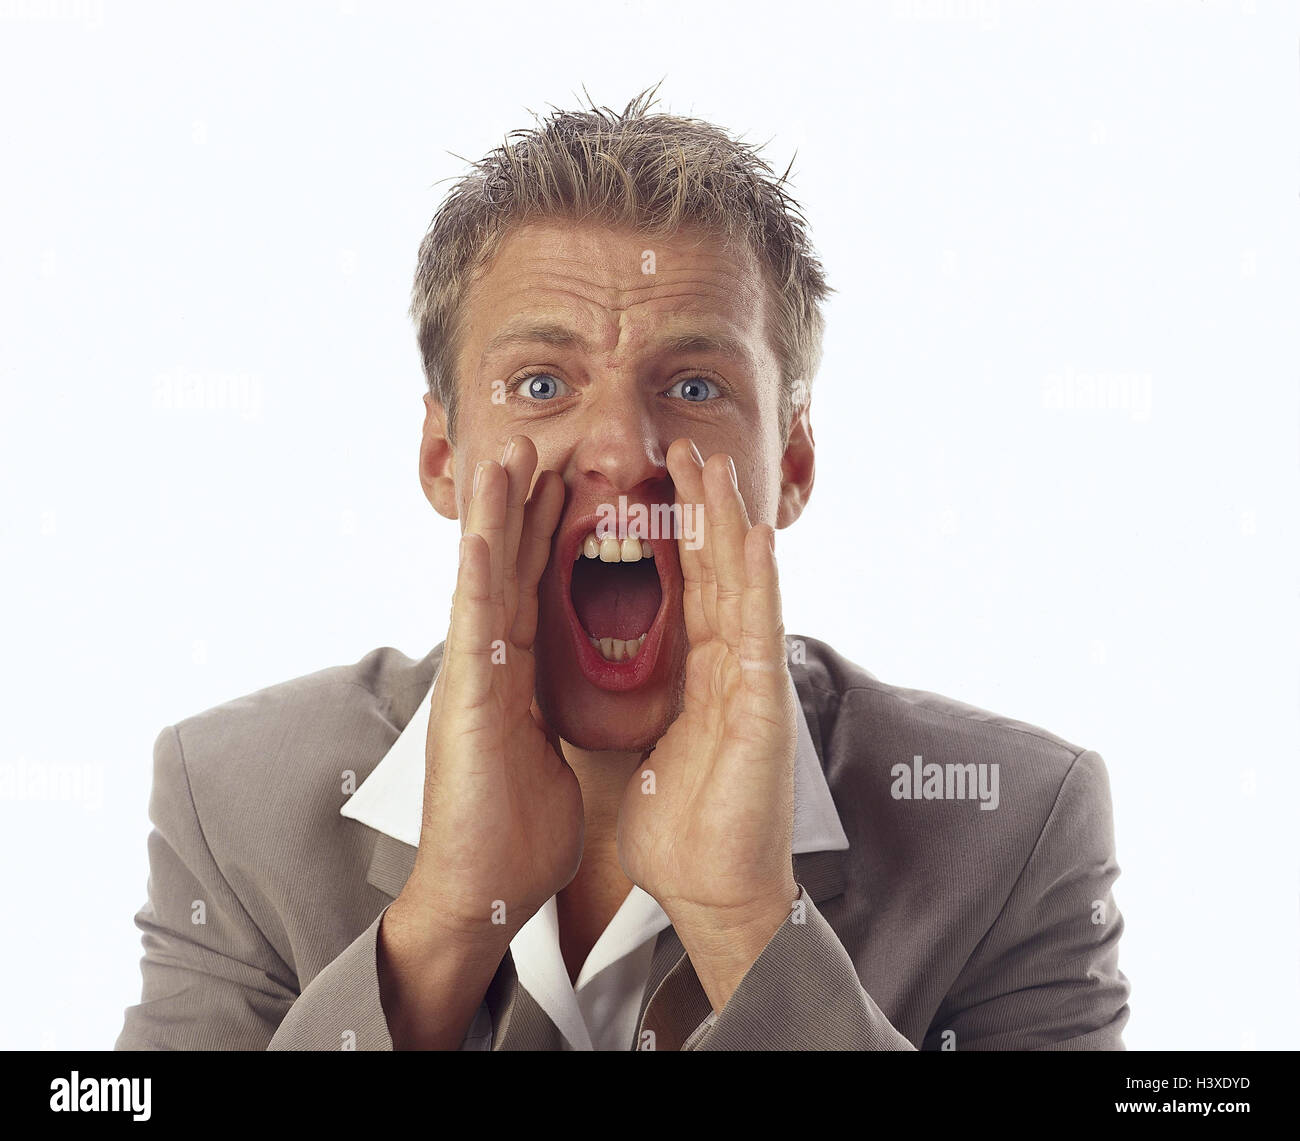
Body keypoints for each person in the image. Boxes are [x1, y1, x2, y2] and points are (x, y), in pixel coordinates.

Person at [116, 85, 1130, 1051]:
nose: (622, 448)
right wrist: (446, 926)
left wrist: (747, 926)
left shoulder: (1014, 823)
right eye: (542, 381)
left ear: (791, 462)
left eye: (694, 384)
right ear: (441, 459)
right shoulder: (231, 800)